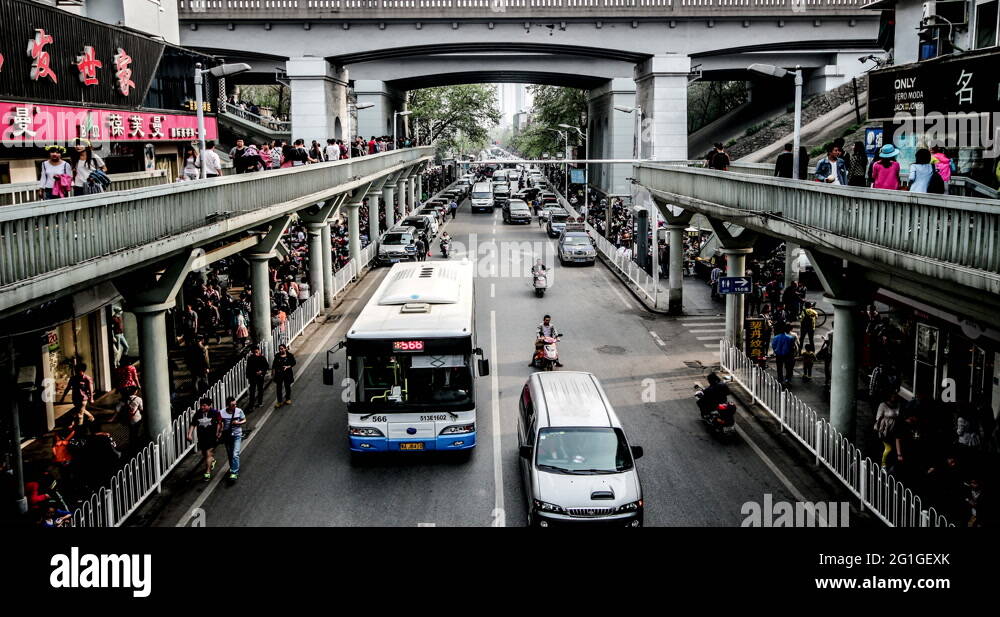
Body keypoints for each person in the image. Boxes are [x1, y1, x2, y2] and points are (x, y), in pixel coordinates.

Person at [187, 397, 223, 481]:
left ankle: (207, 472)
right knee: (204, 453)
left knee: (208, 453)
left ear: (209, 406)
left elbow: (220, 423)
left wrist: (218, 432)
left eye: (204, 405)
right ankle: (212, 461)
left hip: (212, 437)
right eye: (201, 405)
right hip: (202, 437)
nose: (202, 407)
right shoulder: (198, 413)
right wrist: (189, 434)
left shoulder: (215, 413)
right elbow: (193, 424)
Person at [219, 396, 247, 481]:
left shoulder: (239, 411)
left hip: (237, 435)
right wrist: (220, 431)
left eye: (235, 404)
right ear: (228, 405)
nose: (235, 406)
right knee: (230, 454)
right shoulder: (222, 412)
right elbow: (220, 423)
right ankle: (232, 468)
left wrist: (238, 423)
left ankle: (234, 472)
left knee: (235, 454)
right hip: (227, 436)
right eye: (232, 405)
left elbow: (244, 420)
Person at [114, 386, 144, 453]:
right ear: (135, 392)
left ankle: (131, 444)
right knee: (136, 432)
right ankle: (135, 446)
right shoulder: (138, 399)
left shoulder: (124, 399)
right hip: (137, 418)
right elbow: (142, 409)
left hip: (128, 418)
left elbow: (117, 408)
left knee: (131, 432)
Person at [875, 393, 902, 467]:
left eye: (896, 396)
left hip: (895, 429)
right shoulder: (883, 405)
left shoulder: (898, 404)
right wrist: (880, 429)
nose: (894, 397)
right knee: (888, 447)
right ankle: (883, 463)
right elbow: (878, 418)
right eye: (893, 395)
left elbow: (899, 415)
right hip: (885, 429)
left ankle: (888, 463)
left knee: (892, 448)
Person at [246, 346, 270, 410]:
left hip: (260, 376)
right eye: (254, 352)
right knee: (252, 391)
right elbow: (248, 368)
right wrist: (249, 375)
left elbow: (266, 366)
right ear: (252, 352)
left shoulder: (262, 358)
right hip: (253, 377)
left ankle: (260, 402)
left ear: (259, 351)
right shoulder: (250, 359)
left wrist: (261, 371)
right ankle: (251, 405)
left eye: (257, 352)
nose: (256, 354)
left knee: (260, 390)